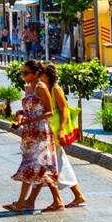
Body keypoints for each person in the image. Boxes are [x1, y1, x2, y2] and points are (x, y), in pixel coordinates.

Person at [5, 60, 63, 213]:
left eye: (26, 73)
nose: (23, 76)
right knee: (38, 168)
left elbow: (49, 112)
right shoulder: (28, 88)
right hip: (29, 133)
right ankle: (55, 202)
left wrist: (31, 120)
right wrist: (20, 114)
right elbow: (29, 109)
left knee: (31, 166)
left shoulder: (41, 87)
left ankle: (21, 203)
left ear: (36, 73)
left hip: (40, 132)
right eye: (22, 73)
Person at [32, 62, 86, 208]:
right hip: (48, 131)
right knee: (58, 162)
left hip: (54, 132)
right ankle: (76, 195)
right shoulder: (44, 88)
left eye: (41, 73)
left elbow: (64, 110)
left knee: (48, 163)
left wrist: (61, 130)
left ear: (47, 76)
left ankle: (39, 200)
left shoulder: (55, 89)